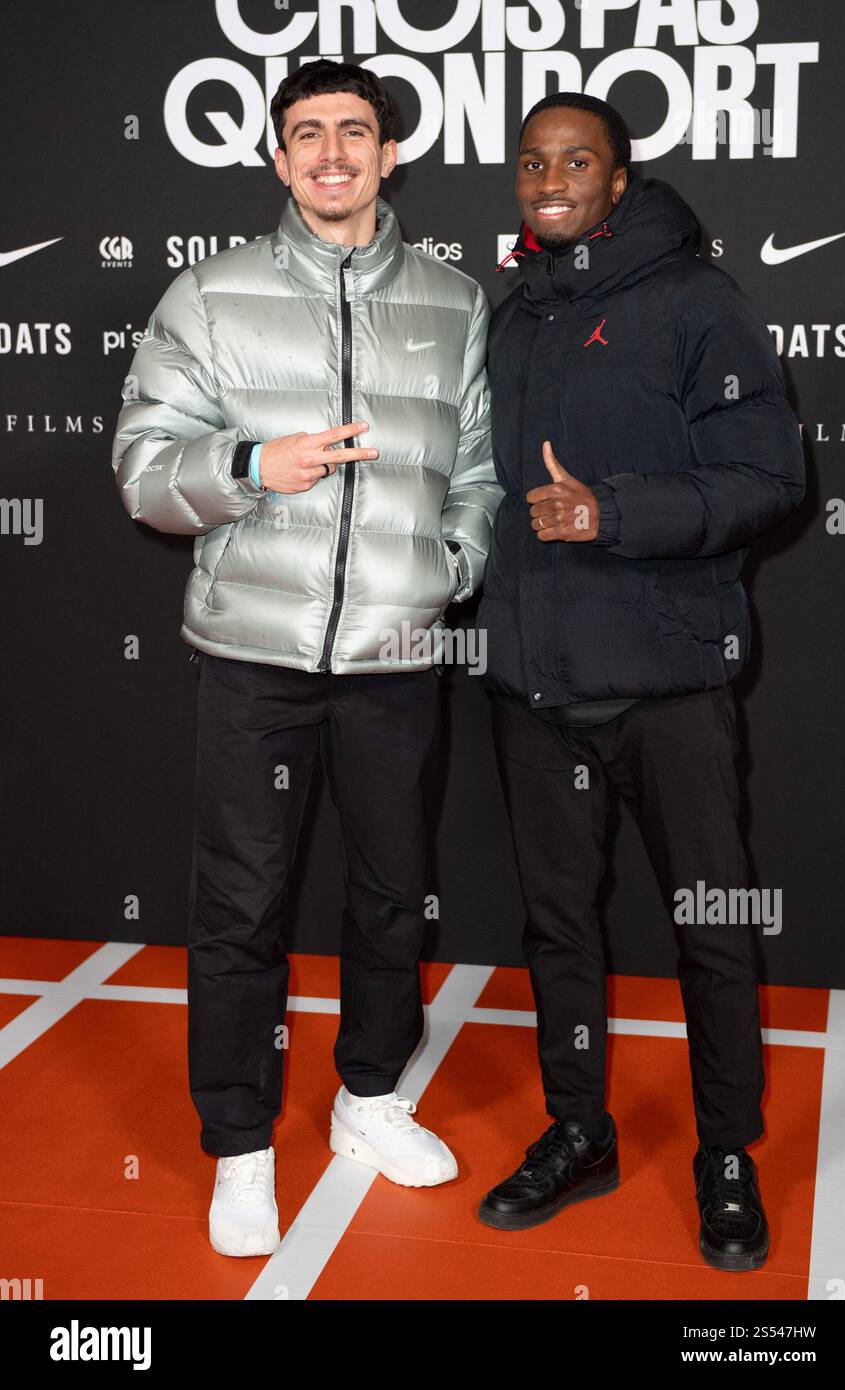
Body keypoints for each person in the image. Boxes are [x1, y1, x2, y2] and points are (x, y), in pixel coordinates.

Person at [111, 59, 501, 1258]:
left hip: (398, 649)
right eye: (307, 135)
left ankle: (367, 1097)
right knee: (240, 906)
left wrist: (446, 566)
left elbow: (479, 472)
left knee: (392, 891)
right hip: (254, 655)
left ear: (389, 154)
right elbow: (141, 471)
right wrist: (246, 469)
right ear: (278, 159)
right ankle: (238, 1142)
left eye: (353, 132)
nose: (331, 153)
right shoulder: (206, 296)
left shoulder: (452, 300)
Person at [476, 92, 804, 1272]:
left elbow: (770, 478)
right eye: (532, 161)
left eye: (575, 161)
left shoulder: (695, 300)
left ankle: (726, 1151)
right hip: (536, 691)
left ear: (617, 181)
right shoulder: (514, 314)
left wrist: (611, 513)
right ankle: (579, 1128)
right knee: (558, 929)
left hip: (667, 690)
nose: (549, 179)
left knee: (709, 931)